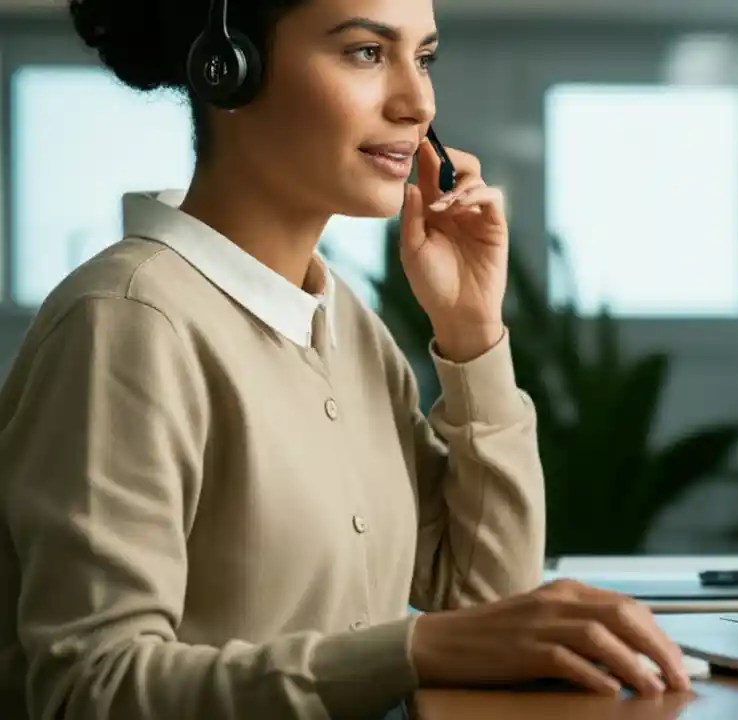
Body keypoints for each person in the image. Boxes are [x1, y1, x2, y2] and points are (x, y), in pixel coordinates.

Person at [0, 0, 690, 717]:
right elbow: (90, 689)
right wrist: (410, 650)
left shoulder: (344, 322)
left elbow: (486, 605)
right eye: (366, 53)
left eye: (423, 58)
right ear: (228, 69)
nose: (417, 102)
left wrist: (471, 332)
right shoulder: (128, 322)